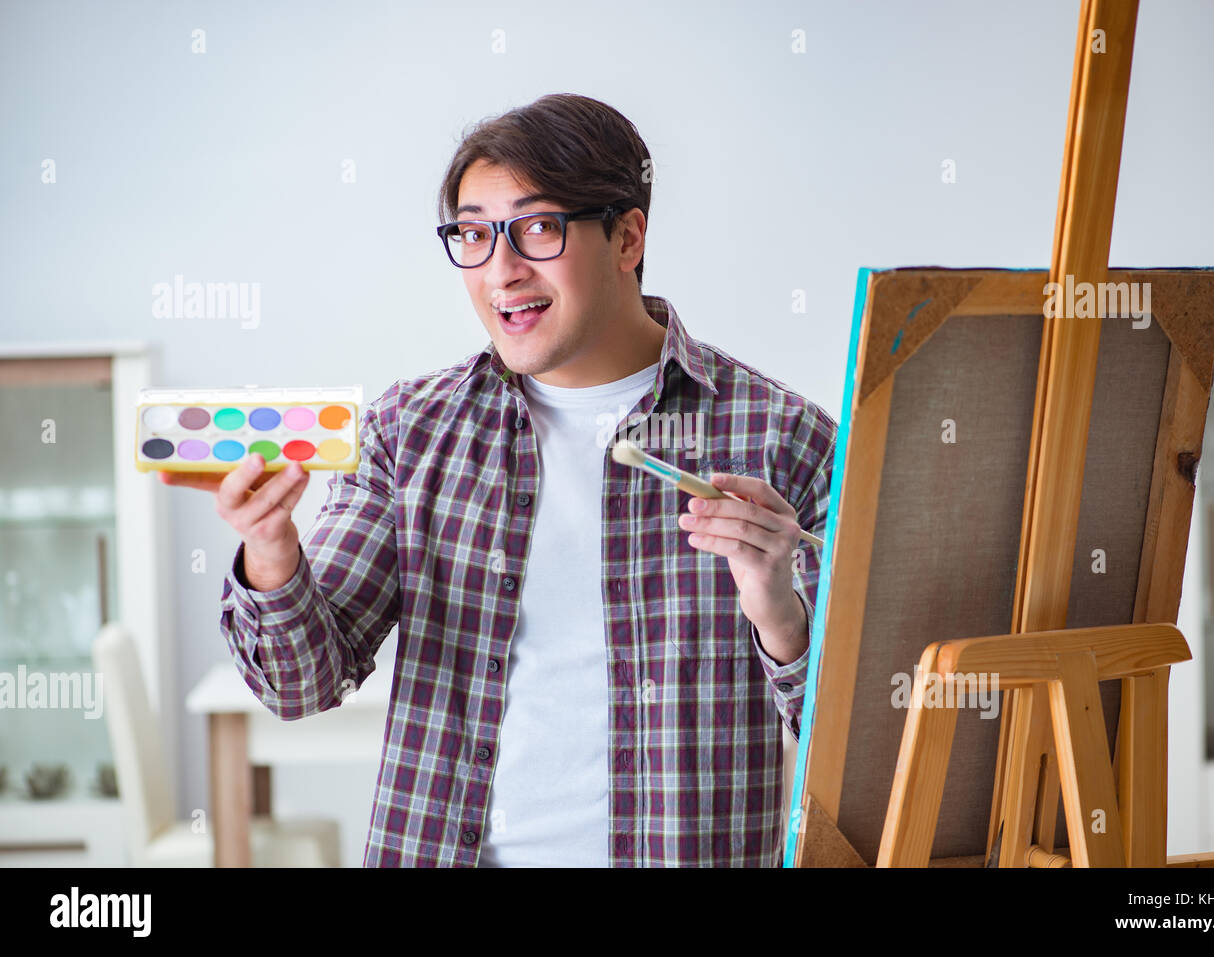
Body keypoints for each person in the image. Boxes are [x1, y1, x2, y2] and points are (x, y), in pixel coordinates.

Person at [161, 92, 837, 867]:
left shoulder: (781, 438)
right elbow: (297, 686)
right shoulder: (410, 431)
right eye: (474, 236)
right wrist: (271, 548)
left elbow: (858, 742)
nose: (501, 271)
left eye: (538, 228)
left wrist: (779, 614)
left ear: (628, 236)